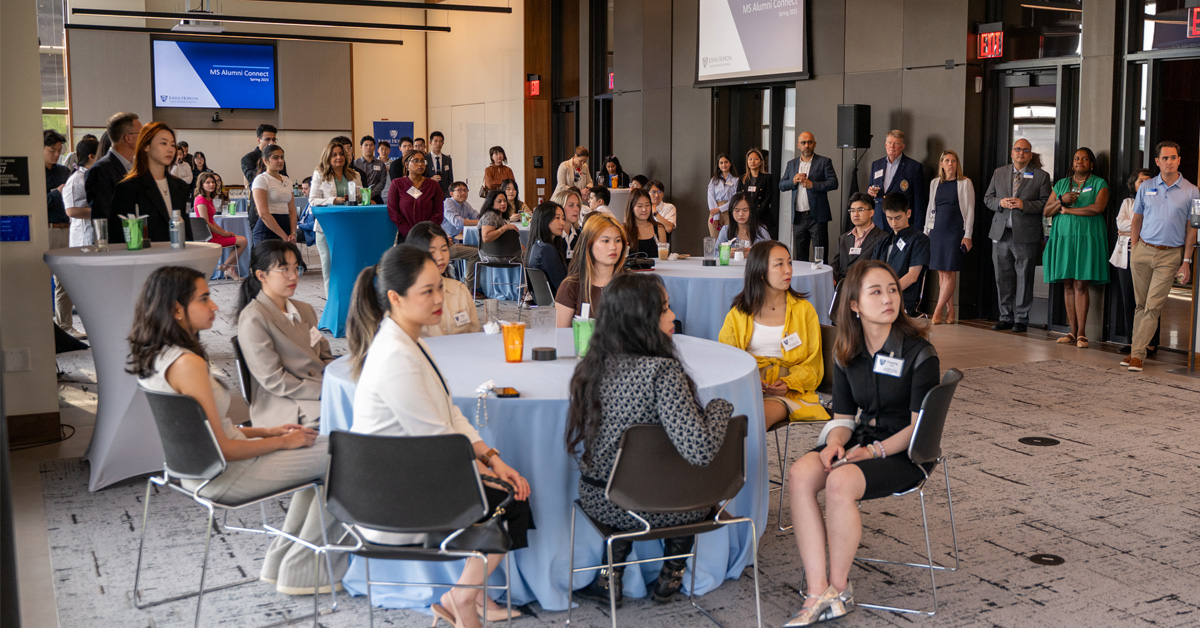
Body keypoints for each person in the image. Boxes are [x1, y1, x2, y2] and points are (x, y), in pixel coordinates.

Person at [345, 245, 533, 627]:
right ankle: (464, 598)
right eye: (426, 292)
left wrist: (493, 458)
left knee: (510, 491)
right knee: (511, 500)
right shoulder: (396, 355)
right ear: (395, 298)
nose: (438, 299)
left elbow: (450, 415)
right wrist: (490, 474)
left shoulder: (408, 340)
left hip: (410, 472)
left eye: (438, 288)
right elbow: (435, 444)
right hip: (393, 494)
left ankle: (464, 597)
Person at [130, 265, 341, 596]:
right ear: (176, 309)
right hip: (224, 473)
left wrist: (270, 433)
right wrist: (284, 441)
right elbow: (224, 447)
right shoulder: (188, 364)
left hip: (196, 470)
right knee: (343, 455)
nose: (215, 306)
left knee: (323, 450)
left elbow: (216, 432)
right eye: (204, 299)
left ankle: (284, 561)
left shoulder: (158, 356)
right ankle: (302, 568)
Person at [782, 259, 938, 627]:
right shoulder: (846, 351)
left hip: (906, 450)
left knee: (839, 482)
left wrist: (872, 451)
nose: (889, 299)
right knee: (801, 474)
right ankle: (817, 590)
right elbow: (843, 419)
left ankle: (838, 589)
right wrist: (837, 442)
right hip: (862, 437)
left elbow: (919, 429)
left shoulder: (919, 352)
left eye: (893, 290)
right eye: (876, 291)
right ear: (854, 304)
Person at [566, 272, 734, 606]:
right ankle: (673, 572)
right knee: (686, 477)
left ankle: (609, 577)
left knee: (635, 466)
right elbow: (699, 450)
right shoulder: (661, 372)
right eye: (665, 310)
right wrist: (719, 408)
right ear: (640, 318)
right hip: (670, 507)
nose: (673, 317)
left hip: (604, 500)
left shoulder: (591, 367)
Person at [719, 241, 829, 430]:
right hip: (748, 387)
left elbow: (813, 365)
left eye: (789, 263)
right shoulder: (739, 313)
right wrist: (751, 380)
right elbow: (728, 359)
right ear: (760, 272)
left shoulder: (804, 311)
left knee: (751, 421)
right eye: (779, 264)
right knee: (718, 420)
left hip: (790, 392)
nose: (788, 270)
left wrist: (788, 383)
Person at [235, 241, 333, 428]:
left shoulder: (305, 310)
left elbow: (324, 354)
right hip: (285, 404)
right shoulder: (254, 318)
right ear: (261, 275)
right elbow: (274, 379)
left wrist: (337, 380)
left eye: (296, 268)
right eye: (284, 269)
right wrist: (324, 391)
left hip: (319, 391)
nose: (293, 276)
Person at [1126, 141, 1200, 372]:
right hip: (1142, 252)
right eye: (1164, 158)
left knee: (1152, 306)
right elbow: (1136, 219)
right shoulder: (1146, 186)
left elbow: (1193, 228)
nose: (1169, 161)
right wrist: (1136, 247)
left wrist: (1186, 261)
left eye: (1173, 157)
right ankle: (1135, 350)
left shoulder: (1192, 191)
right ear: (1157, 162)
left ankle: (1137, 355)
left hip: (1170, 255)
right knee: (1140, 305)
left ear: (1179, 160)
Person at [1043, 147, 1111, 347]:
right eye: (1076, 158)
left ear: (1091, 163)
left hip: (1087, 238)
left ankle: (1082, 333)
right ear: (1072, 163)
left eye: (1084, 159)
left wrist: (1069, 211)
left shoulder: (1099, 183)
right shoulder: (1062, 184)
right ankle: (1071, 332)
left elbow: (1097, 208)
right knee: (1067, 283)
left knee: (1081, 283)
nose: (1079, 161)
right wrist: (1061, 200)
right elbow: (1046, 210)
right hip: (1063, 238)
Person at [983, 138, 1052, 333]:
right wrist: (1000, 203)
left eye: (1025, 150)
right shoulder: (999, 173)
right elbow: (988, 198)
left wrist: (1024, 205)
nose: (1021, 153)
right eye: (1017, 149)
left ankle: (1021, 319)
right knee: (1002, 277)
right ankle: (1005, 316)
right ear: (1012, 153)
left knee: (1024, 277)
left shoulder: (1041, 176)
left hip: (1026, 235)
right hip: (1001, 233)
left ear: (1030, 155)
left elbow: (1046, 204)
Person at [109, 122, 195, 244]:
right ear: (146, 146)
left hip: (177, 257)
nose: (170, 149)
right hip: (144, 257)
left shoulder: (180, 186)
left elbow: (186, 232)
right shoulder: (128, 187)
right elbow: (117, 235)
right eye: (163, 143)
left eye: (172, 144)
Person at [923, 150, 975, 325]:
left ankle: (937, 311)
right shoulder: (935, 183)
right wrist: (926, 232)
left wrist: (967, 235)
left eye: (953, 161)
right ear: (941, 164)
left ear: (957, 164)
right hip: (937, 230)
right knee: (942, 272)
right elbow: (930, 207)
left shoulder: (965, 183)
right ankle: (950, 311)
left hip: (955, 231)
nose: (950, 164)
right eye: (947, 160)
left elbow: (970, 211)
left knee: (950, 272)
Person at [404, 221, 482, 336]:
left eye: (444, 250)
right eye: (432, 252)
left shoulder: (460, 290)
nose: (440, 257)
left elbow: (474, 334)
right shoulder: (405, 296)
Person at [1113, 169, 1159, 358]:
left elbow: (1153, 224)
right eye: (1141, 181)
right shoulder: (1128, 202)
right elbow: (1120, 224)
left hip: (1148, 256)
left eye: (1148, 180)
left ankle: (1150, 342)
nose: (1144, 183)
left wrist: (1133, 226)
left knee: (1150, 300)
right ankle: (1133, 341)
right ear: (1134, 184)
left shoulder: (1158, 202)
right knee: (1129, 299)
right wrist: (1138, 225)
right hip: (1127, 255)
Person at [308, 140, 363, 296]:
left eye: (341, 154)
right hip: (326, 227)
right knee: (329, 268)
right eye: (334, 155)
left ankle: (348, 301)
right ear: (327, 157)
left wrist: (359, 197)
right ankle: (331, 303)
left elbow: (359, 197)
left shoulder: (354, 174)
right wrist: (333, 200)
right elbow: (312, 201)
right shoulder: (320, 174)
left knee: (348, 267)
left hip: (349, 227)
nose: (339, 157)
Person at [555, 213, 626, 327]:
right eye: (605, 241)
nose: (613, 247)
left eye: (618, 240)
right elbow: (560, 336)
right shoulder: (571, 286)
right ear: (589, 244)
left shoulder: (633, 284)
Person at [779, 132, 839, 261]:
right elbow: (781, 185)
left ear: (814, 144)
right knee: (800, 257)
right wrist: (793, 181)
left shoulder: (824, 162)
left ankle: (822, 281)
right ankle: (800, 281)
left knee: (820, 256)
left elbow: (834, 183)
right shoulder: (791, 164)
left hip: (817, 217)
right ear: (798, 145)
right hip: (798, 217)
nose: (807, 145)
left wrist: (813, 185)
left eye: (809, 142)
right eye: (803, 143)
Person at [872, 193, 929, 317]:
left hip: (903, 298)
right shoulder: (883, 242)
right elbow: (872, 272)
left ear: (908, 213)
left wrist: (887, 292)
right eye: (889, 218)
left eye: (898, 218)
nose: (893, 223)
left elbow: (913, 276)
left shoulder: (919, 239)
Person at [44, 130, 76, 335]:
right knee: (42, 279)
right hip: (47, 229)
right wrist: (55, 193)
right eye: (51, 150)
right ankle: (46, 328)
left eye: (59, 150)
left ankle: (65, 326)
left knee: (65, 280)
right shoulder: (34, 171)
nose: (56, 154)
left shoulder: (64, 171)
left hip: (68, 228)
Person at [86, 112, 142, 224]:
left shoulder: (136, 166)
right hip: (117, 239)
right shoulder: (100, 170)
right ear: (128, 138)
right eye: (140, 134)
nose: (144, 138)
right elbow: (101, 217)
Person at [867, 130, 927, 231]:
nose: (892, 146)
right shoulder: (876, 165)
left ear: (903, 146)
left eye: (896, 143)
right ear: (885, 145)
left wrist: (918, 228)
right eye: (889, 143)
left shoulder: (913, 167)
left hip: (900, 221)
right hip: (879, 220)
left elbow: (919, 201)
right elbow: (870, 188)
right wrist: (870, 191)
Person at [194, 172, 248, 280]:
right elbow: (206, 223)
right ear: (201, 184)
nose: (211, 185)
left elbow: (212, 221)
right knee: (243, 241)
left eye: (213, 182)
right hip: (207, 236)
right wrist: (224, 233)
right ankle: (227, 266)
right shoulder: (201, 200)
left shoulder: (209, 199)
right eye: (208, 182)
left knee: (242, 240)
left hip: (213, 233)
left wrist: (225, 232)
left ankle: (228, 267)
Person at [387, 149, 445, 243]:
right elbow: (393, 211)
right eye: (416, 161)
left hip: (429, 236)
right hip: (406, 236)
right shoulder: (397, 184)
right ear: (406, 164)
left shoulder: (433, 185)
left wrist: (426, 231)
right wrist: (409, 231)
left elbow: (438, 213)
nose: (420, 164)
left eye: (423, 161)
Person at [830, 193, 887, 284]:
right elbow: (833, 267)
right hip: (842, 289)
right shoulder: (843, 238)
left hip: (865, 288)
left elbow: (878, 270)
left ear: (871, 212)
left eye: (860, 210)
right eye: (852, 211)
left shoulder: (882, 238)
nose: (855, 214)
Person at [250, 144, 297, 246]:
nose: (280, 161)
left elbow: (292, 210)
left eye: (282, 157)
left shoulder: (287, 180)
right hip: (267, 230)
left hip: (285, 227)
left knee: (293, 261)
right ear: (265, 161)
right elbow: (263, 214)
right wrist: (283, 237)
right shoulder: (261, 179)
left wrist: (293, 233)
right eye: (275, 158)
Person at [241, 124, 283, 232]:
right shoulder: (248, 158)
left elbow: (284, 179)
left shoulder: (279, 159)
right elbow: (252, 179)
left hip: (278, 209)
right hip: (258, 210)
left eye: (274, 139)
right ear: (259, 140)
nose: (271, 142)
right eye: (267, 139)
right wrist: (267, 162)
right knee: (260, 247)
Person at [441, 180, 481, 288]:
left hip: (456, 240)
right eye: (459, 190)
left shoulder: (465, 204)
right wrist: (480, 222)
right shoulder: (448, 203)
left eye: (465, 190)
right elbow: (458, 223)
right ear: (451, 193)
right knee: (476, 253)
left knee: (480, 249)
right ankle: (469, 288)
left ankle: (471, 286)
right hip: (445, 244)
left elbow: (477, 216)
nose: (463, 193)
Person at [65, 136, 100, 252]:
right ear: (91, 157)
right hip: (84, 237)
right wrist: (101, 211)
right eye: (101, 154)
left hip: (98, 234)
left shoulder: (96, 175)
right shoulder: (76, 179)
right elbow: (71, 210)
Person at [526, 201, 569, 293]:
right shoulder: (547, 250)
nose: (562, 223)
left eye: (563, 218)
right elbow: (561, 285)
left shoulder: (537, 245)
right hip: (558, 301)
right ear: (544, 219)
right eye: (557, 218)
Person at [738, 148, 778, 239]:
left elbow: (768, 198)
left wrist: (755, 213)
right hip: (746, 216)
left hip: (762, 216)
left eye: (756, 159)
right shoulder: (742, 178)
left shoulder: (767, 177)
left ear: (761, 162)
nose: (753, 162)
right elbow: (738, 197)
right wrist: (746, 213)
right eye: (750, 159)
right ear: (747, 162)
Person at [477, 190, 523, 264]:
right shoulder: (490, 215)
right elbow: (486, 238)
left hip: (506, 253)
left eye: (505, 201)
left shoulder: (500, 215)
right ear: (491, 204)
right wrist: (505, 228)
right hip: (496, 256)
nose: (503, 203)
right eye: (499, 201)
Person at [623, 188, 669, 258]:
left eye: (647, 205)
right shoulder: (624, 229)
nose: (644, 209)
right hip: (632, 268)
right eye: (640, 206)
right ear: (632, 208)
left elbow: (663, 258)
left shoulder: (659, 228)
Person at [707, 153, 739, 238]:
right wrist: (716, 215)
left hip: (729, 211)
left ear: (730, 163)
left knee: (729, 240)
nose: (724, 165)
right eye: (721, 163)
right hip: (715, 212)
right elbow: (710, 198)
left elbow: (734, 199)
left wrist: (719, 209)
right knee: (715, 241)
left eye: (726, 162)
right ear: (718, 165)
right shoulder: (714, 180)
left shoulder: (736, 180)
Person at [353, 135, 388, 204]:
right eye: (366, 145)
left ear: (374, 147)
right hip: (359, 197)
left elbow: (382, 182)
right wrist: (363, 195)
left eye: (371, 145)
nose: (368, 147)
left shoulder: (380, 164)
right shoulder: (355, 163)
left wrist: (369, 195)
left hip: (376, 196)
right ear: (361, 147)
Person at [550, 185, 583, 256]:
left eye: (578, 205)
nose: (576, 209)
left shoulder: (579, 235)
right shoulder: (552, 237)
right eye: (571, 205)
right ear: (560, 207)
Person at [428, 131, 454, 196]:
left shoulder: (447, 159)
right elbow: (420, 178)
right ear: (430, 142)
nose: (438, 144)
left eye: (440, 141)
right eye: (436, 141)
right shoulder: (425, 159)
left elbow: (450, 179)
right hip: (430, 191)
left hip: (444, 193)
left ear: (443, 143)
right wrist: (431, 179)